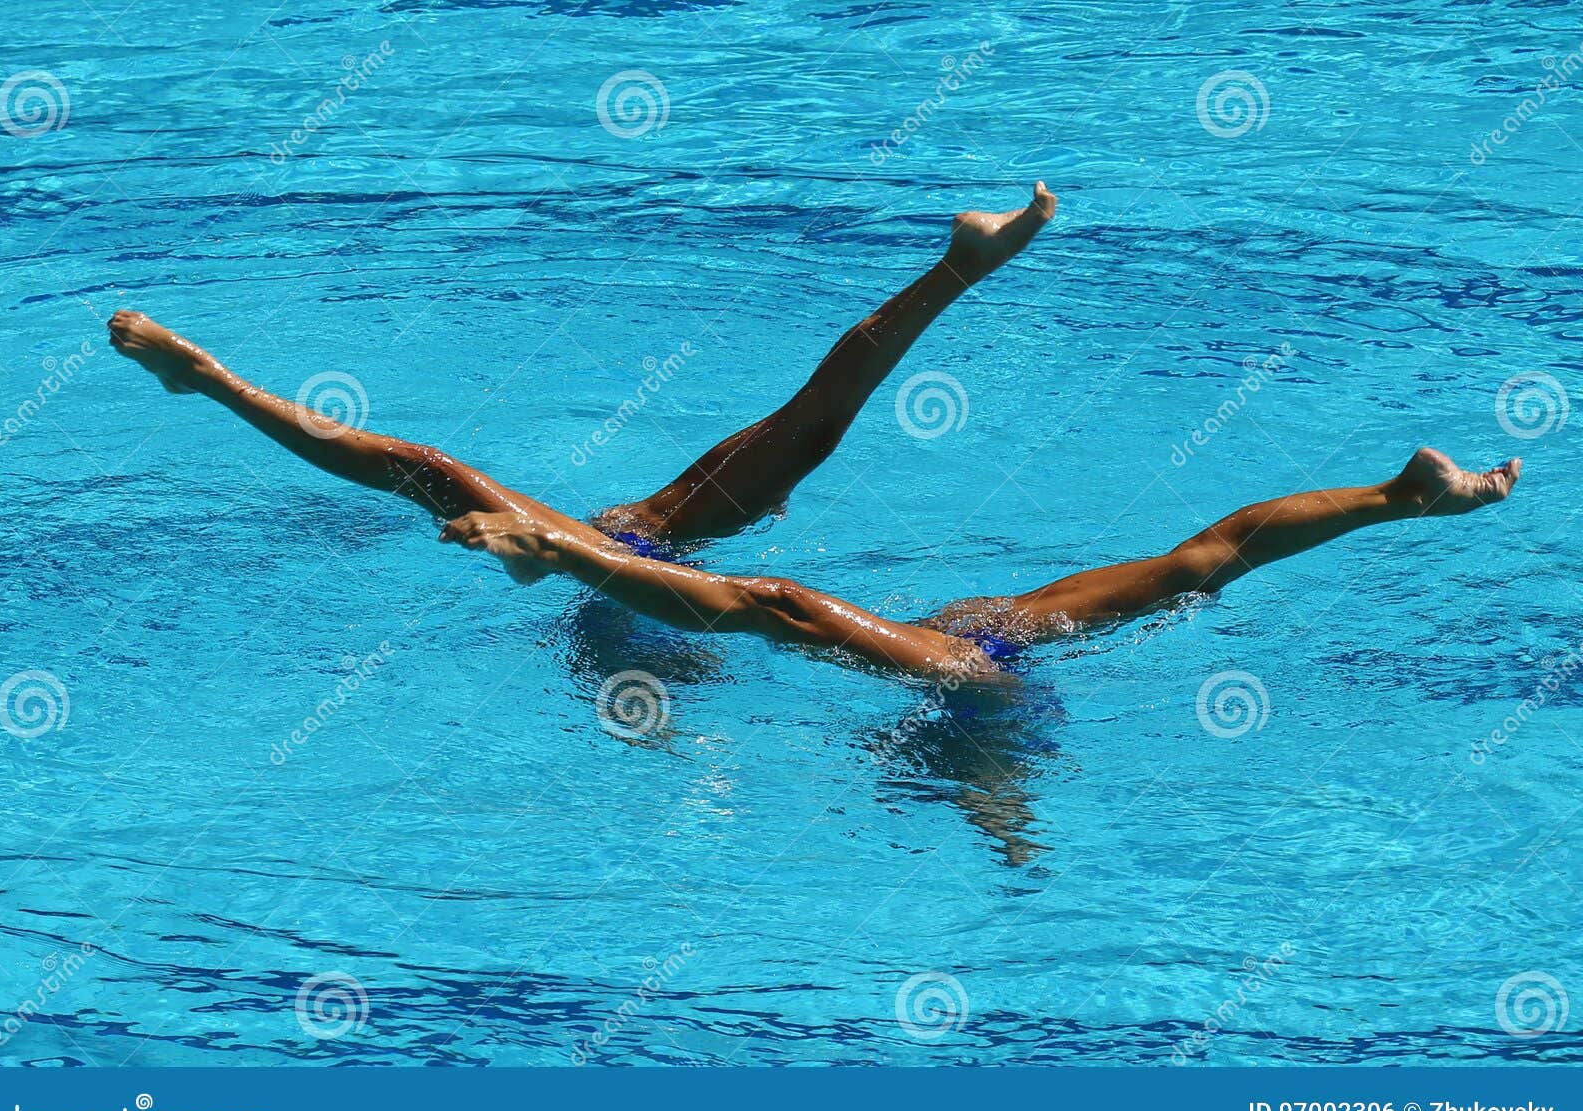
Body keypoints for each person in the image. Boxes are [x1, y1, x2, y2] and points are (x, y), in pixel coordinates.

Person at [106, 183, 1520, 683]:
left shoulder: (987, 670)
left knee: (768, 487)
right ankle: (958, 272)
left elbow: (1219, 548)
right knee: (752, 553)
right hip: (669, 594)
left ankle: (959, 270)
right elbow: (744, 606)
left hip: (667, 588)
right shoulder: (977, 676)